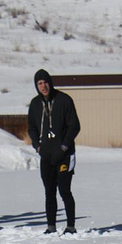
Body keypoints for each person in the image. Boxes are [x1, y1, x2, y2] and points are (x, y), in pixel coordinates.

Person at [27, 69, 81, 234]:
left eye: (45, 82)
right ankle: (51, 226)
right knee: (49, 191)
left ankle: (70, 226)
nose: (43, 86)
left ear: (50, 82)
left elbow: (74, 126)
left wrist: (64, 146)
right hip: (46, 155)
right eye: (40, 84)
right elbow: (32, 128)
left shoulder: (64, 100)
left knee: (64, 190)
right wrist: (37, 146)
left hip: (64, 154)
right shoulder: (35, 104)